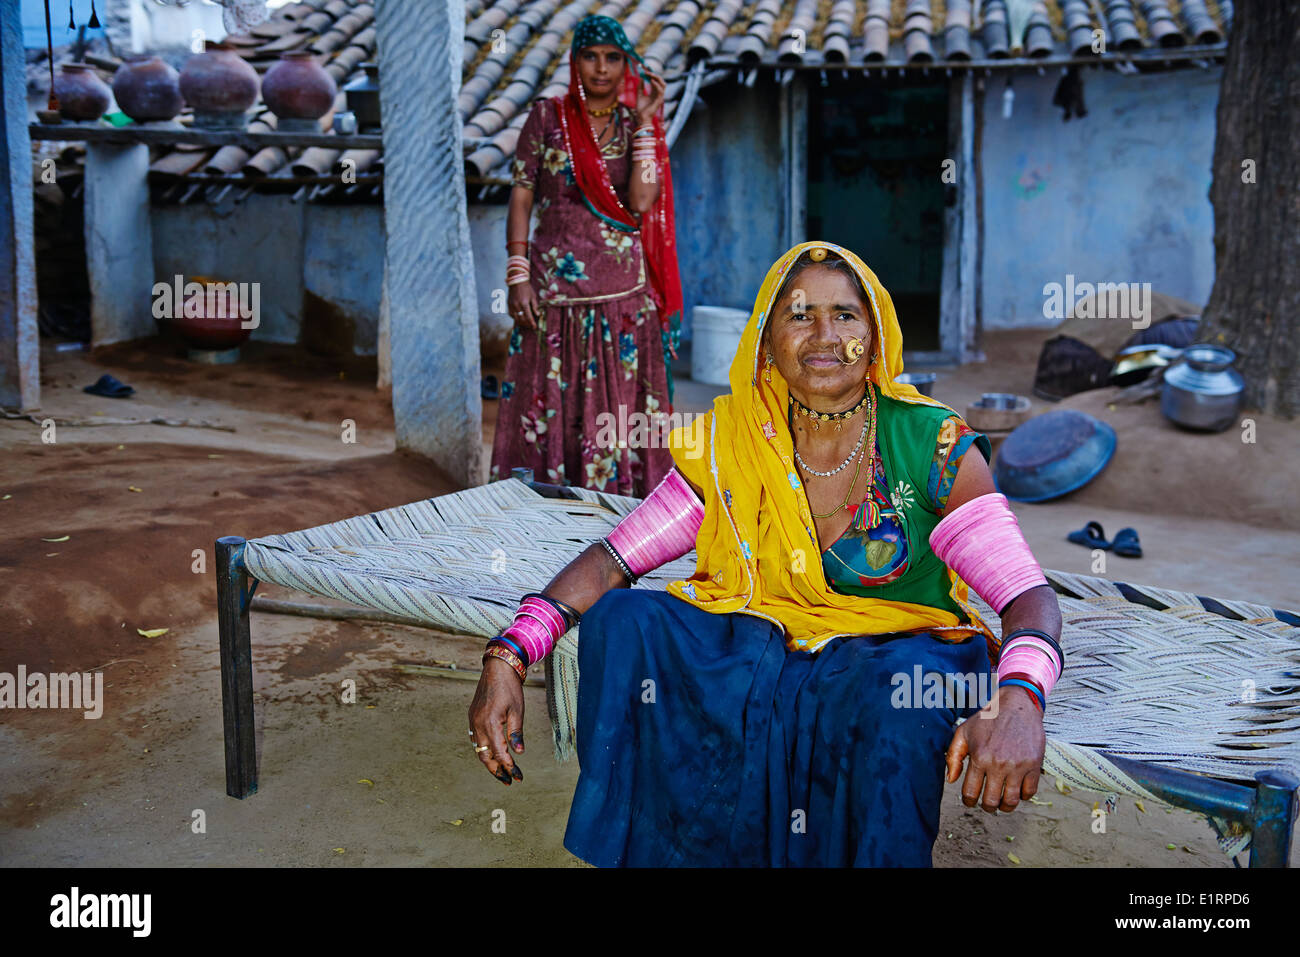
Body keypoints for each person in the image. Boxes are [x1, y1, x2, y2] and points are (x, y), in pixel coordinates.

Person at [469, 242, 1064, 867]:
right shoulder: (739, 441)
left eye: (846, 316)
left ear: (877, 332)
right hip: (772, 644)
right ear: (767, 340)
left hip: (893, 654)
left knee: (896, 697)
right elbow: (615, 559)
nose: (825, 337)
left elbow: (1027, 597)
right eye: (800, 316)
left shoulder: (931, 444)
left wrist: (1021, 701)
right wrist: (509, 654)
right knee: (625, 622)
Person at [489, 14, 683, 496]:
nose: (601, 68)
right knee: (551, 401)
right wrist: (517, 275)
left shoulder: (633, 125)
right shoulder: (547, 118)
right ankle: (545, 509)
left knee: (613, 407)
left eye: (613, 58)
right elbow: (521, 195)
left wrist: (644, 123)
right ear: (574, 61)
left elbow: (641, 202)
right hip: (552, 296)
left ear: (626, 66)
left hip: (621, 298)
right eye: (590, 56)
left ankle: (615, 512)